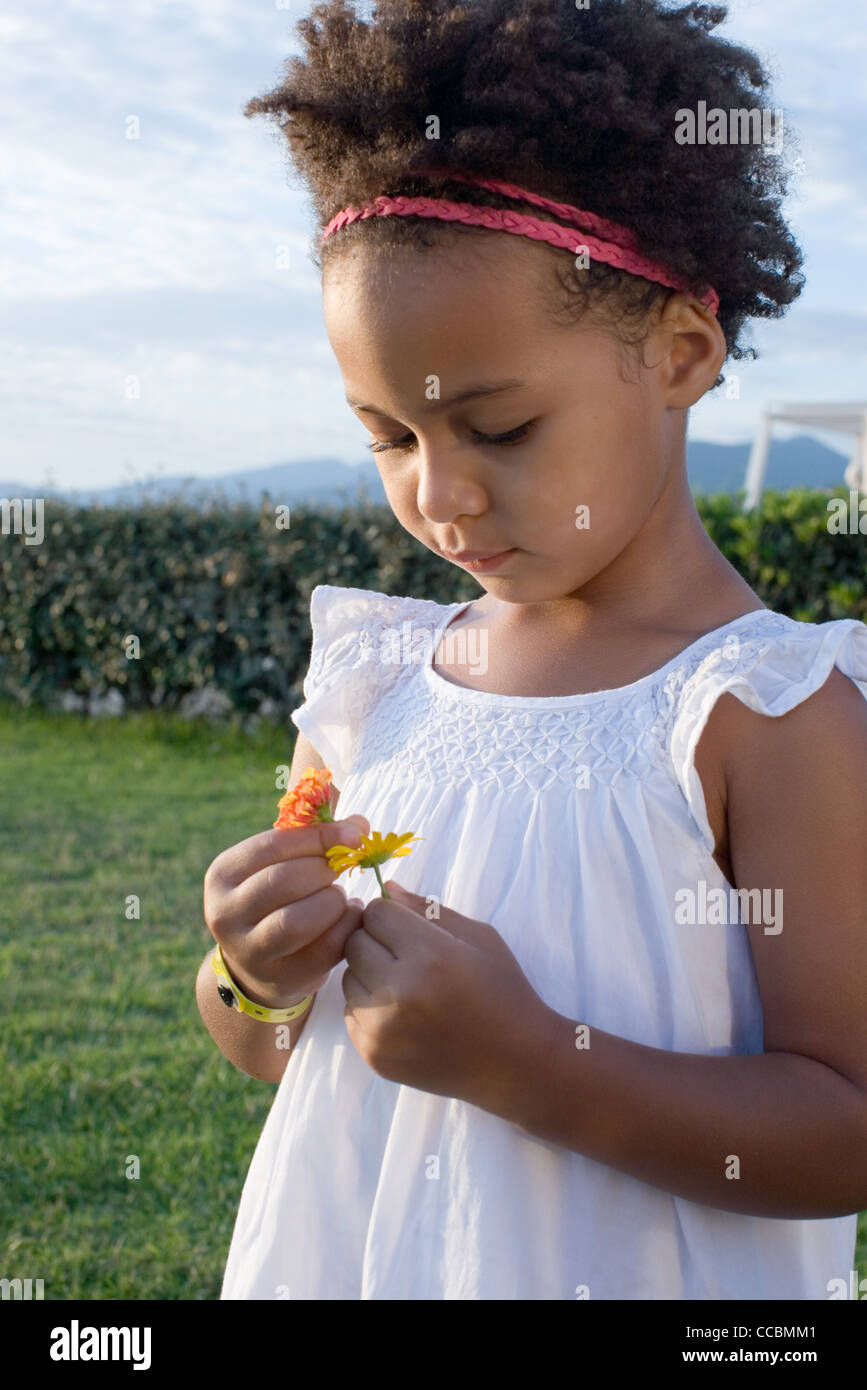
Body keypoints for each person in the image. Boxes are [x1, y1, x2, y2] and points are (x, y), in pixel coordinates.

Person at [198, 0, 867, 1299]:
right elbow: (282, 1050)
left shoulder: (763, 713)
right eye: (388, 436)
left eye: (496, 429)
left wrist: (529, 1059)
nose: (437, 496)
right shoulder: (372, 682)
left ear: (678, 352)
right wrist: (252, 972)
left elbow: (847, 1126)